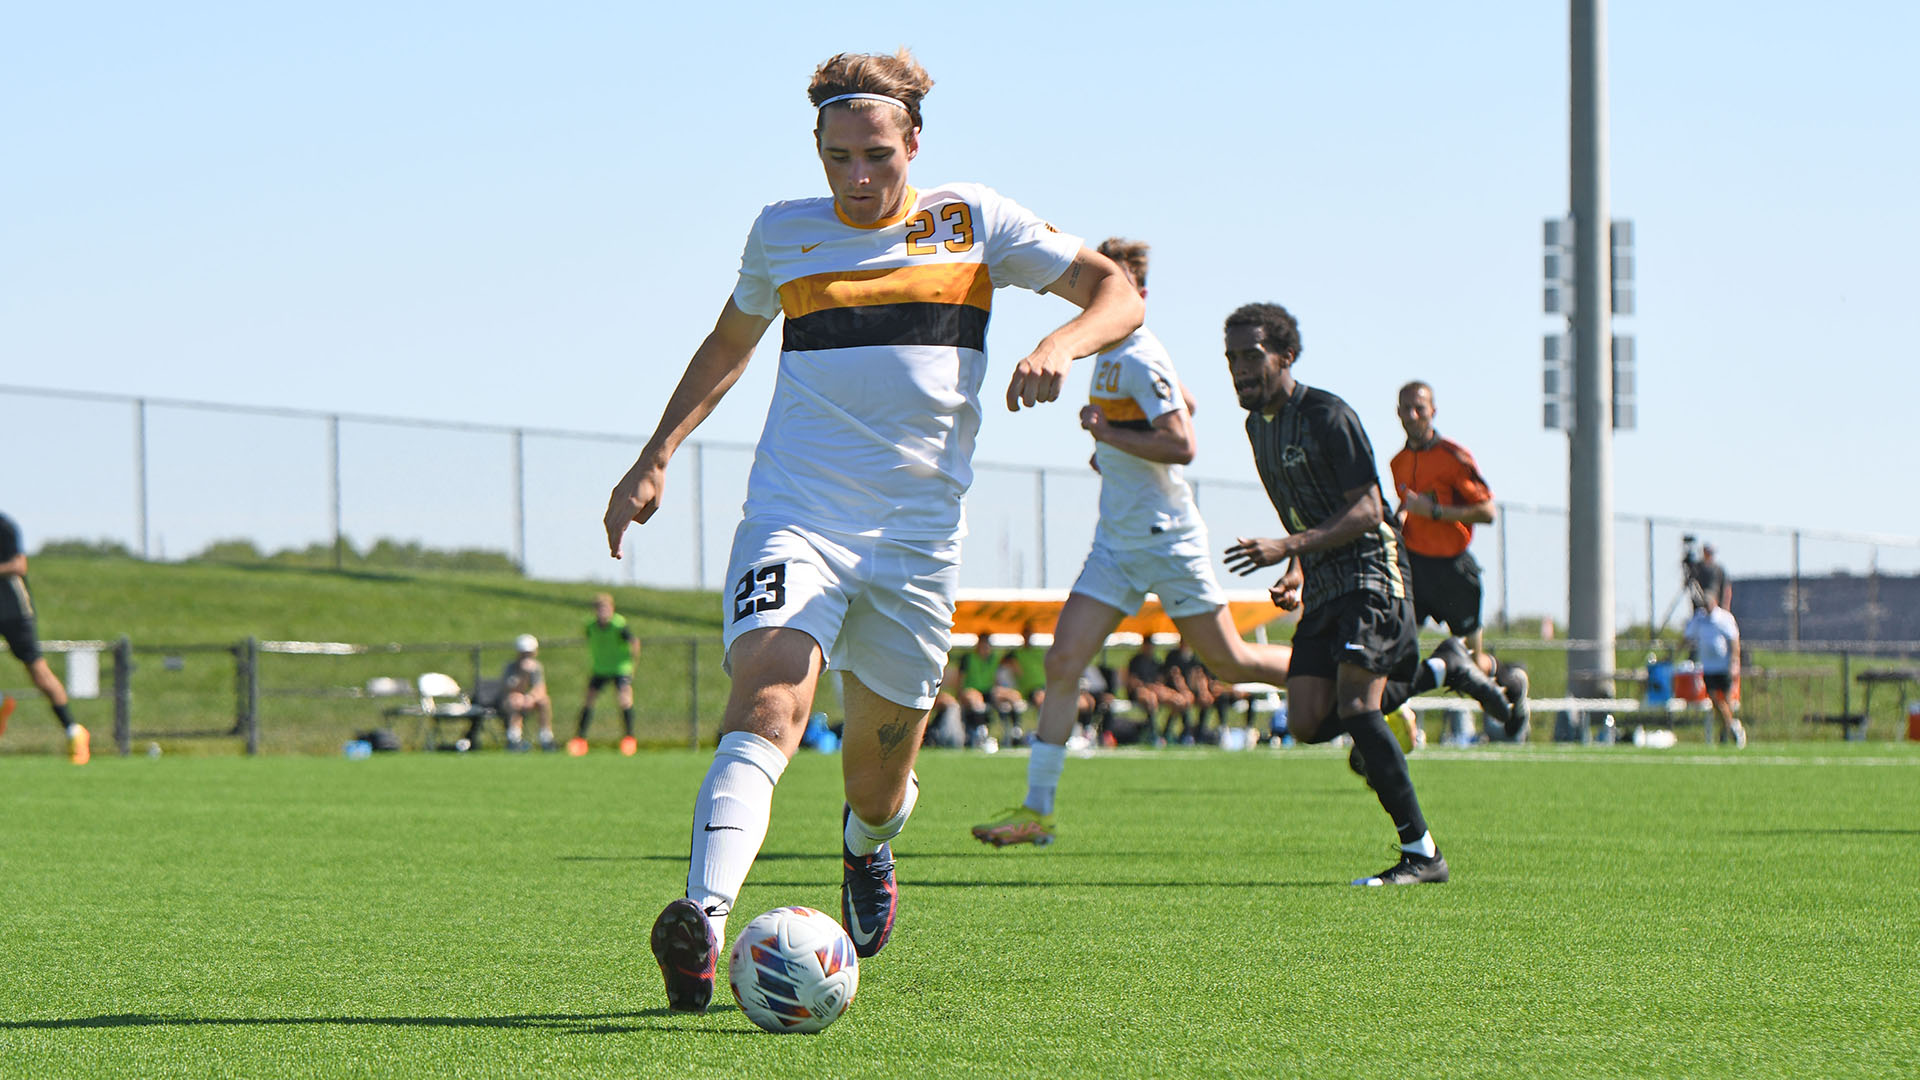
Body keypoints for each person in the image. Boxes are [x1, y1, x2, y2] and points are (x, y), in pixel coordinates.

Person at [600, 48, 1144, 1014]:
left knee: (879, 779)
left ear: (914, 145)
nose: (858, 178)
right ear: (816, 149)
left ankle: (869, 848)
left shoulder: (973, 221)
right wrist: (656, 455)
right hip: (795, 513)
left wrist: (1059, 343)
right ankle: (703, 921)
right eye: (838, 156)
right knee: (768, 705)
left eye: (878, 157)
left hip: (915, 544)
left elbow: (1120, 291)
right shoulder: (782, 235)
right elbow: (731, 343)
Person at [972, 238, 1295, 848]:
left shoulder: (1141, 356)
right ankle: (1037, 813)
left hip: (1166, 537)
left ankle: (1361, 687)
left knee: (1231, 662)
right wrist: (1119, 440)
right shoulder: (1111, 353)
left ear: (1137, 299)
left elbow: (1183, 445)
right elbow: (1181, 404)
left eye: (1114, 291)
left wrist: (1110, 433)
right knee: (1064, 662)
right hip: (1116, 542)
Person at [1219, 302, 1448, 886]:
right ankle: (1443, 670)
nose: (1240, 369)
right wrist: (1296, 564)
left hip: (1372, 572)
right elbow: (1303, 507)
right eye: (1232, 358)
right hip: (1322, 581)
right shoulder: (1256, 427)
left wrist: (1287, 544)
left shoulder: (1328, 414)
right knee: (1307, 720)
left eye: (1252, 356)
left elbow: (1370, 508)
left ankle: (1422, 853)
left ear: (1286, 356)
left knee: (1356, 706)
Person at [1389, 380, 1531, 739]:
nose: (1412, 415)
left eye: (1419, 408)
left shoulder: (1453, 457)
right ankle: (1395, 721)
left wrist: (1435, 511)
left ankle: (1511, 679)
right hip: (1414, 570)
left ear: (1433, 411)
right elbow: (1408, 508)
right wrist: (1401, 519)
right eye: (1405, 408)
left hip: (1454, 571)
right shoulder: (1398, 463)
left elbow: (1486, 511)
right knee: (1393, 650)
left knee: (1471, 666)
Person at [0, 512, 88, 764]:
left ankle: (74, 730)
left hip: (13, 609)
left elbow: (19, 565)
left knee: (37, 670)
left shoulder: (4, 526)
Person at [569, 593, 639, 756]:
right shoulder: (590, 626)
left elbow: (634, 642)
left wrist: (632, 666)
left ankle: (629, 739)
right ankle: (580, 739)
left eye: (606, 608)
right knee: (588, 699)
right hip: (600, 668)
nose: (603, 612)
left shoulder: (619, 625)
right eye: (600, 608)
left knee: (624, 699)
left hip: (620, 668)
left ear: (612, 609)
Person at [1682, 592, 1744, 747]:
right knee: (1716, 700)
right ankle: (1733, 728)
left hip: (1724, 666)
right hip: (1708, 667)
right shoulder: (1699, 618)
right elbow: (1688, 636)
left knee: (1727, 700)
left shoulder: (1724, 618)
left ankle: (1725, 734)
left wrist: (1735, 661)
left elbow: (1734, 640)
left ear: (1715, 601)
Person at [501, 634, 555, 752]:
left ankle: (546, 737)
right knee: (514, 702)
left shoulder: (536, 667)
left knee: (544, 701)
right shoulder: (511, 667)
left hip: (530, 700)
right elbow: (510, 689)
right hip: (512, 700)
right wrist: (523, 674)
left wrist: (530, 698)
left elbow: (540, 688)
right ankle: (514, 738)